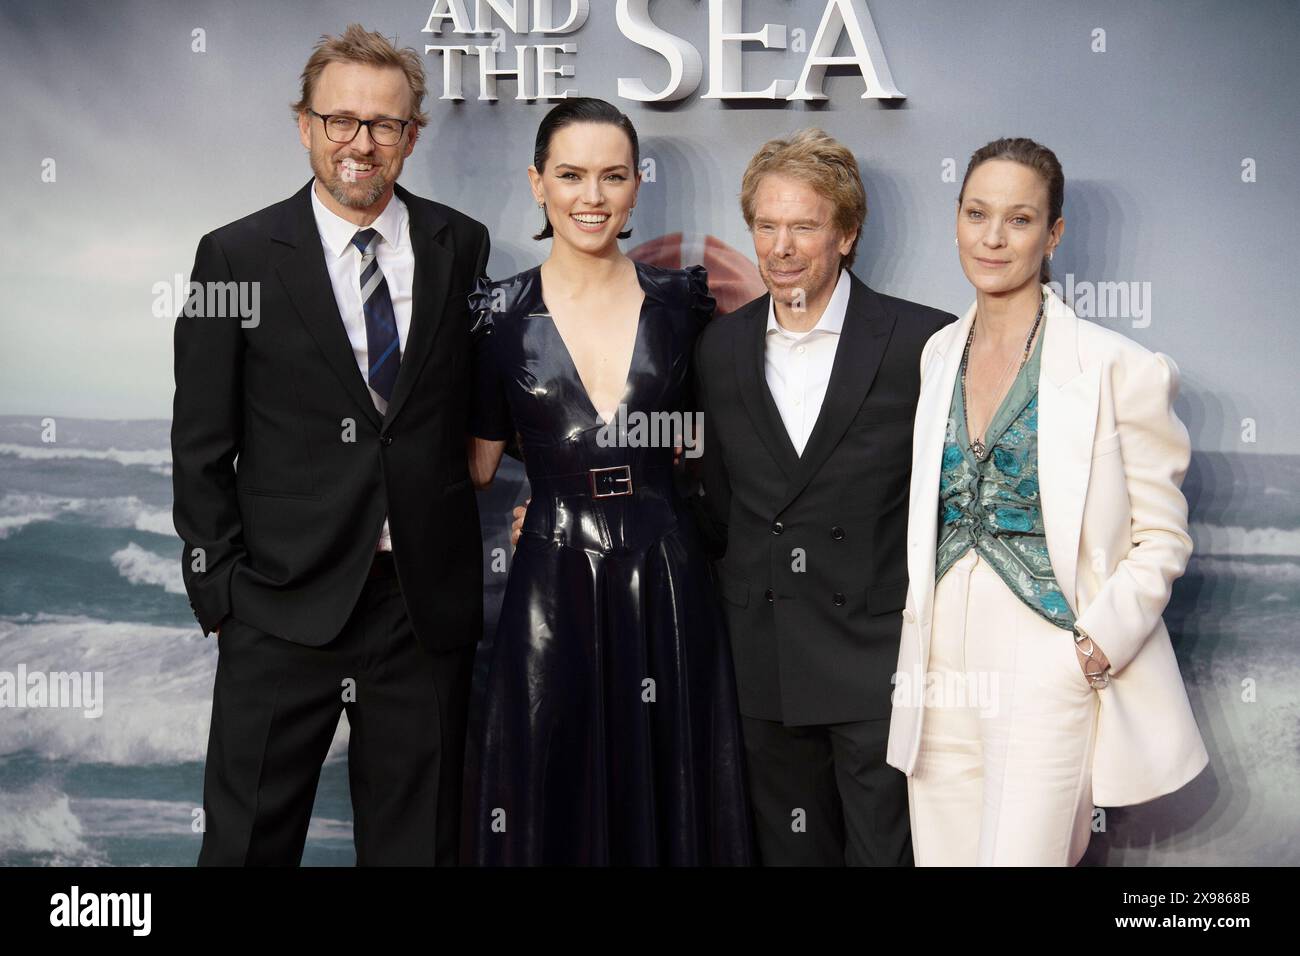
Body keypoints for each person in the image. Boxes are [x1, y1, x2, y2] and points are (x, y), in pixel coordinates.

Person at [172, 25, 490, 865]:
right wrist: (225, 596)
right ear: (304, 125)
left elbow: (467, 402)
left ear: (412, 137)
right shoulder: (233, 255)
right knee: (245, 847)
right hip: (281, 605)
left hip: (418, 610)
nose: (361, 142)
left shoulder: (461, 245)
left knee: (417, 848)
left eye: (384, 124)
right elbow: (201, 442)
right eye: (340, 119)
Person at [886, 137, 1209, 865]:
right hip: (937, 664)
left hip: (1048, 661)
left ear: (1053, 233)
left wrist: (1093, 649)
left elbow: (1163, 538)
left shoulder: (1117, 367)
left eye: (1020, 219)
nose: (993, 237)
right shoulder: (938, 353)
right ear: (958, 220)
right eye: (976, 213)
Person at [466, 97, 753, 865]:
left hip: (666, 577)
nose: (591, 196)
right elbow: (478, 463)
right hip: (549, 582)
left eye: (612, 176)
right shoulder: (496, 314)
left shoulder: (684, 304)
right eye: (571, 175)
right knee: (548, 788)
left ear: (635, 188)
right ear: (537, 183)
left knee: (665, 785)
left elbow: (713, 447)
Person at [690, 129, 955, 865]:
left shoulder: (922, 343)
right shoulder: (720, 349)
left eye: (803, 225)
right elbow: (713, 502)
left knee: (884, 854)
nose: (780, 246)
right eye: (766, 226)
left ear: (846, 232)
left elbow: (952, 504)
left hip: (877, 660)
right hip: (764, 660)